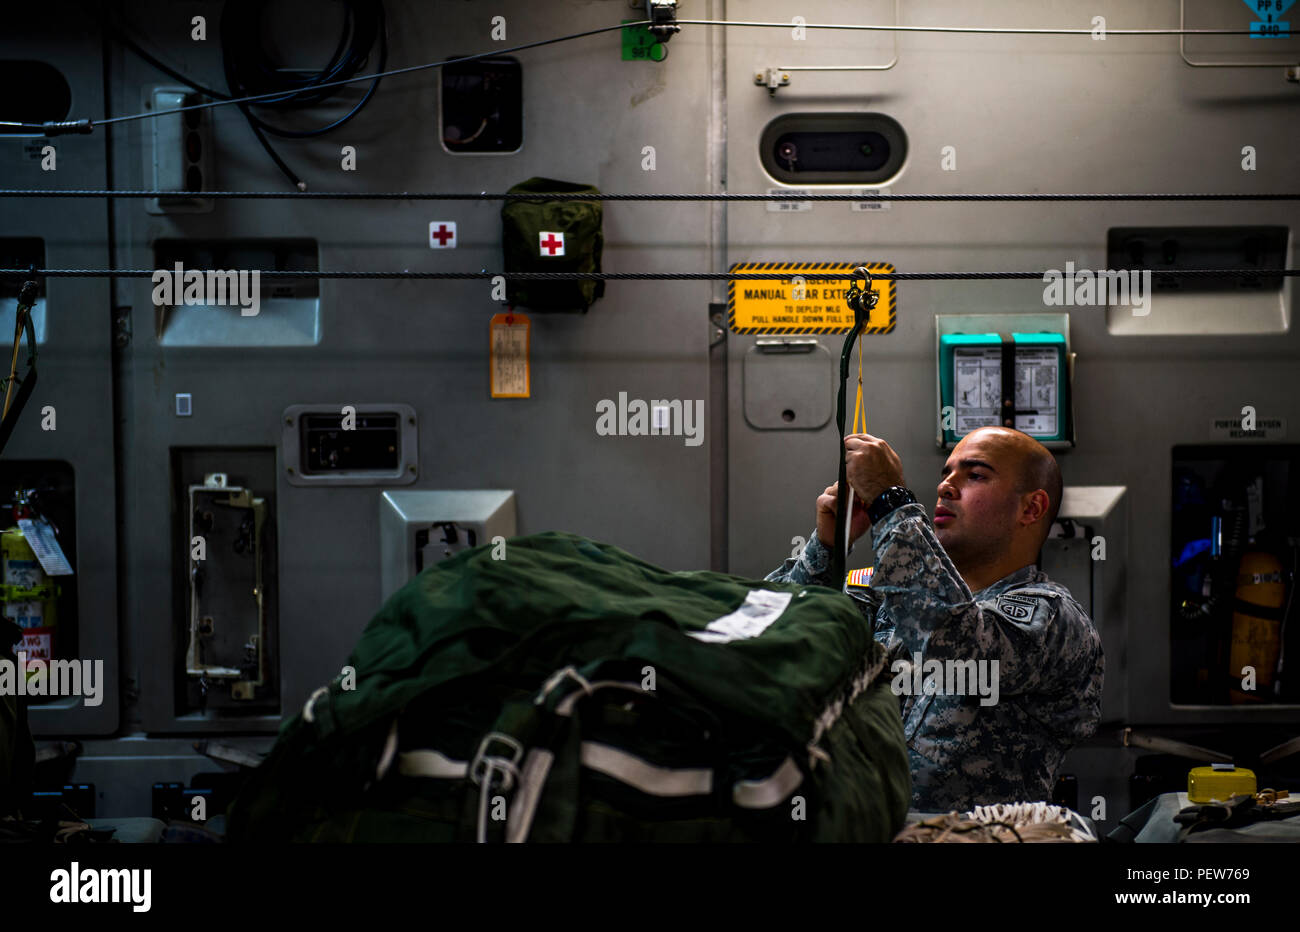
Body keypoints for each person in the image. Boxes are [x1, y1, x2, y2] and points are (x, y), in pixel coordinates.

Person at [767, 426, 1103, 812]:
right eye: (947, 473)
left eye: (975, 475)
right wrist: (827, 547)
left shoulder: (1052, 620)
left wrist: (891, 502)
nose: (946, 486)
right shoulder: (888, 596)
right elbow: (775, 643)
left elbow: (955, 644)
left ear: (1031, 508)